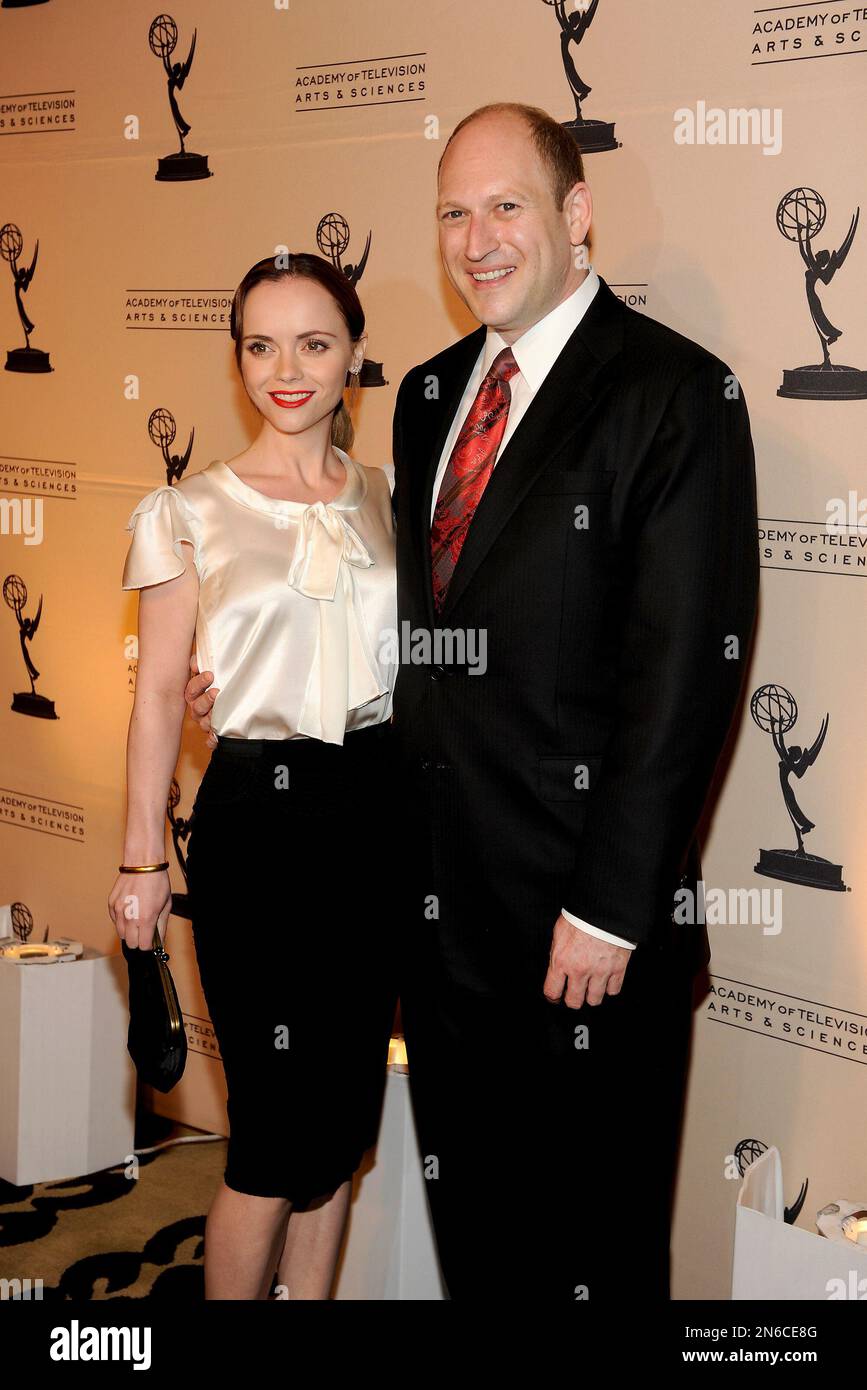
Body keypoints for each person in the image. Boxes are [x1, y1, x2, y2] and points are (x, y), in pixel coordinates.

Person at [186, 101, 760, 1302]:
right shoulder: (431, 392)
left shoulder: (673, 391)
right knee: (482, 1255)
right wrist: (249, 668)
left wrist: (612, 909)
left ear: (576, 214)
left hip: (582, 935)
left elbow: (686, 673)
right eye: (454, 211)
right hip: (438, 924)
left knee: (592, 1261)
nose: (477, 238)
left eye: (507, 206)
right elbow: (407, 629)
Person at [109, 252, 400, 1300]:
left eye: (314, 344)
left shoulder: (387, 497)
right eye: (261, 346)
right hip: (255, 828)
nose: (286, 370)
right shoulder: (187, 510)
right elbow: (156, 697)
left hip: (374, 819)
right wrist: (142, 863)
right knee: (271, 1141)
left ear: (353, 356)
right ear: (236, 360)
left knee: (340, 1134)